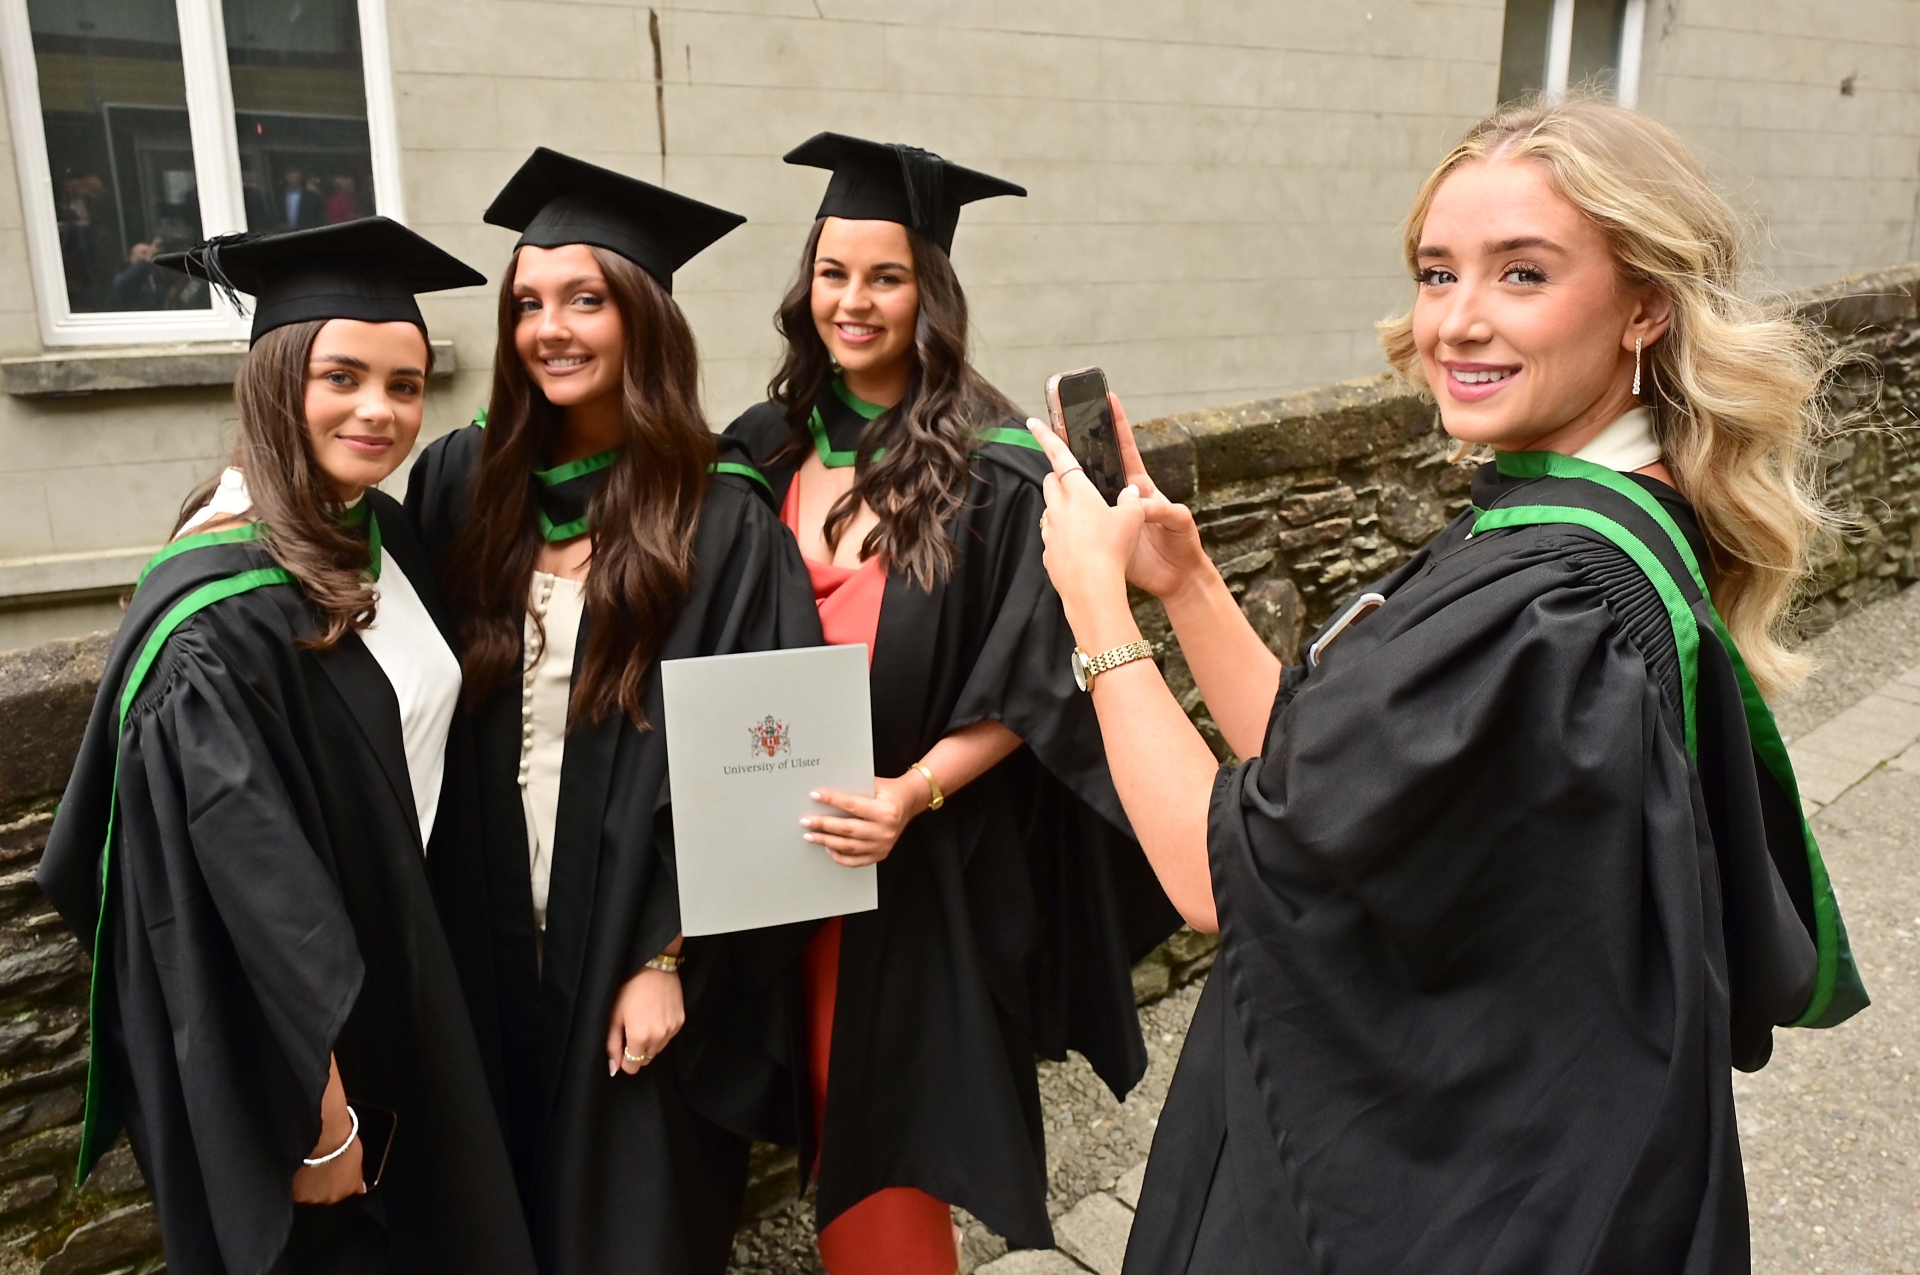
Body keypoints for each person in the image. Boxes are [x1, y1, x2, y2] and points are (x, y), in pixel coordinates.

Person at [1028, 97, 1870, 1274]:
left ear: (1644, 308)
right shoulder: (1590, 527)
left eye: (1522, 274)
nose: (1456, 323)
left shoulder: (1548, 606)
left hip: (1437, 1193)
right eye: (1437, 273)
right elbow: (1334, 777)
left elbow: (1226, 871)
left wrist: (1095, 608)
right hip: (1506, 1138)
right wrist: (1190, 587)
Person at [38, 217, 538, 1275]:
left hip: (410, 997)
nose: (381, 410)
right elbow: (253, 901)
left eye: (405, 384)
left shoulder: (383, 535)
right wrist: (324, 1121)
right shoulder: (217, 623)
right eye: (343, 377)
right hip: (318, 1065)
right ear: (274, 384)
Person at [725, 133, 1180, 1275]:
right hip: (769, 848)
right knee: (822, 1115)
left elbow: (1032, 674)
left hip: (907, 862)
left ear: (931, 291)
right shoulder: (761, 448)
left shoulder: (989, 468)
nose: (854, 301)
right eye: (834, 273)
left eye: (886, 276)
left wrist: (910, 793)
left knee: (886, 1135)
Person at [405, 148, 822, 1275]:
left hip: (634, 950)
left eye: (585, 300)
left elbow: (766, 762)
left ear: (642, 318)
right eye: (528, 303)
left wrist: (667, 957)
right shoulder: (461, 484)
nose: (551, 328)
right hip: (484, 946)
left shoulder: (724, 517)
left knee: (632, 1231)